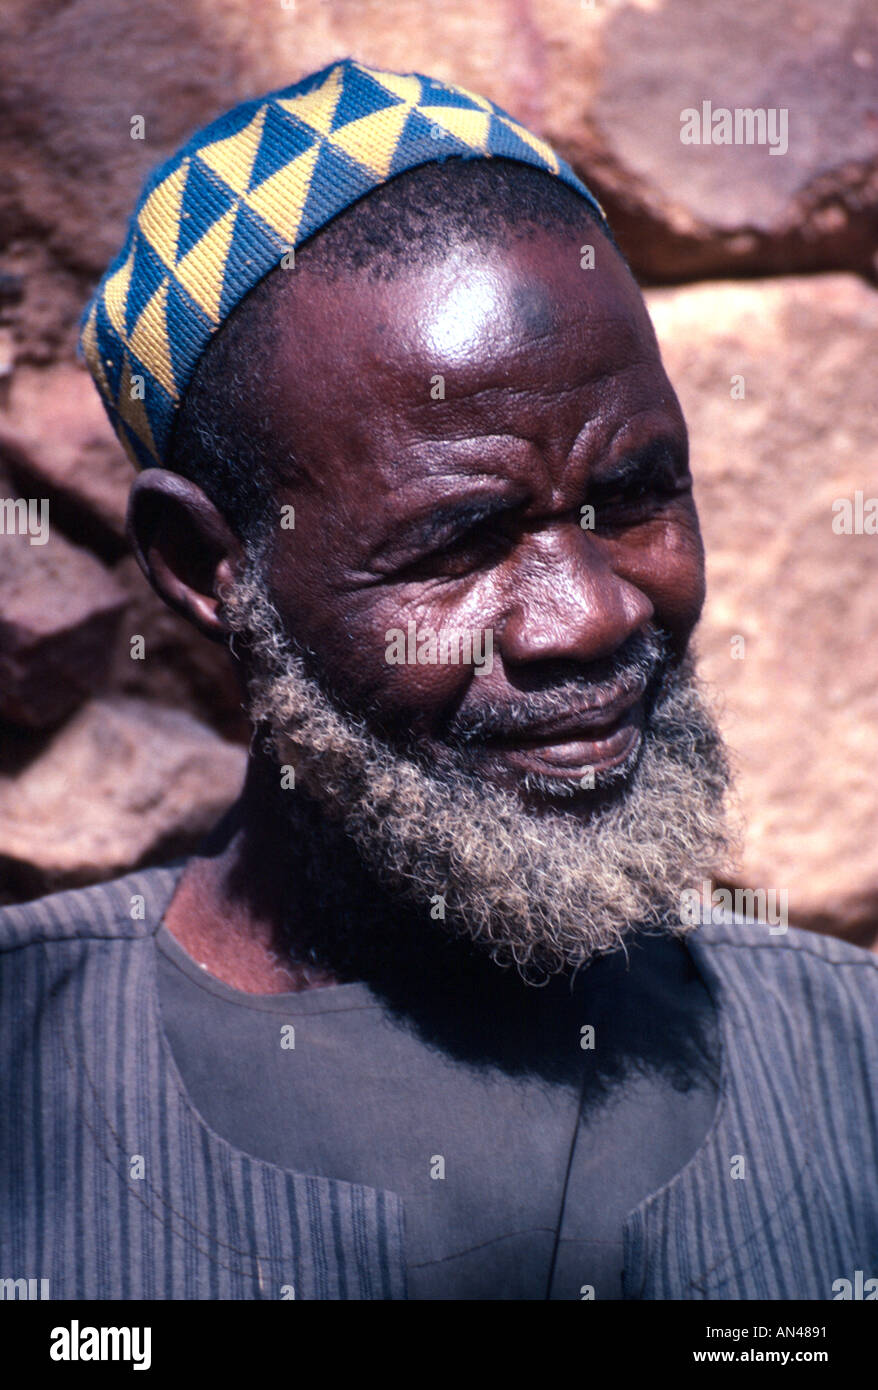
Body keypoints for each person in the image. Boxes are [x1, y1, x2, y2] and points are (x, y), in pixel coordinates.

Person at [1, 59, 875, 1302]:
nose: (590, 615)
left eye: (631, 498)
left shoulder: (850, 1065)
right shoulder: (28, 1067)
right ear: (206, 567)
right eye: (457, 544)